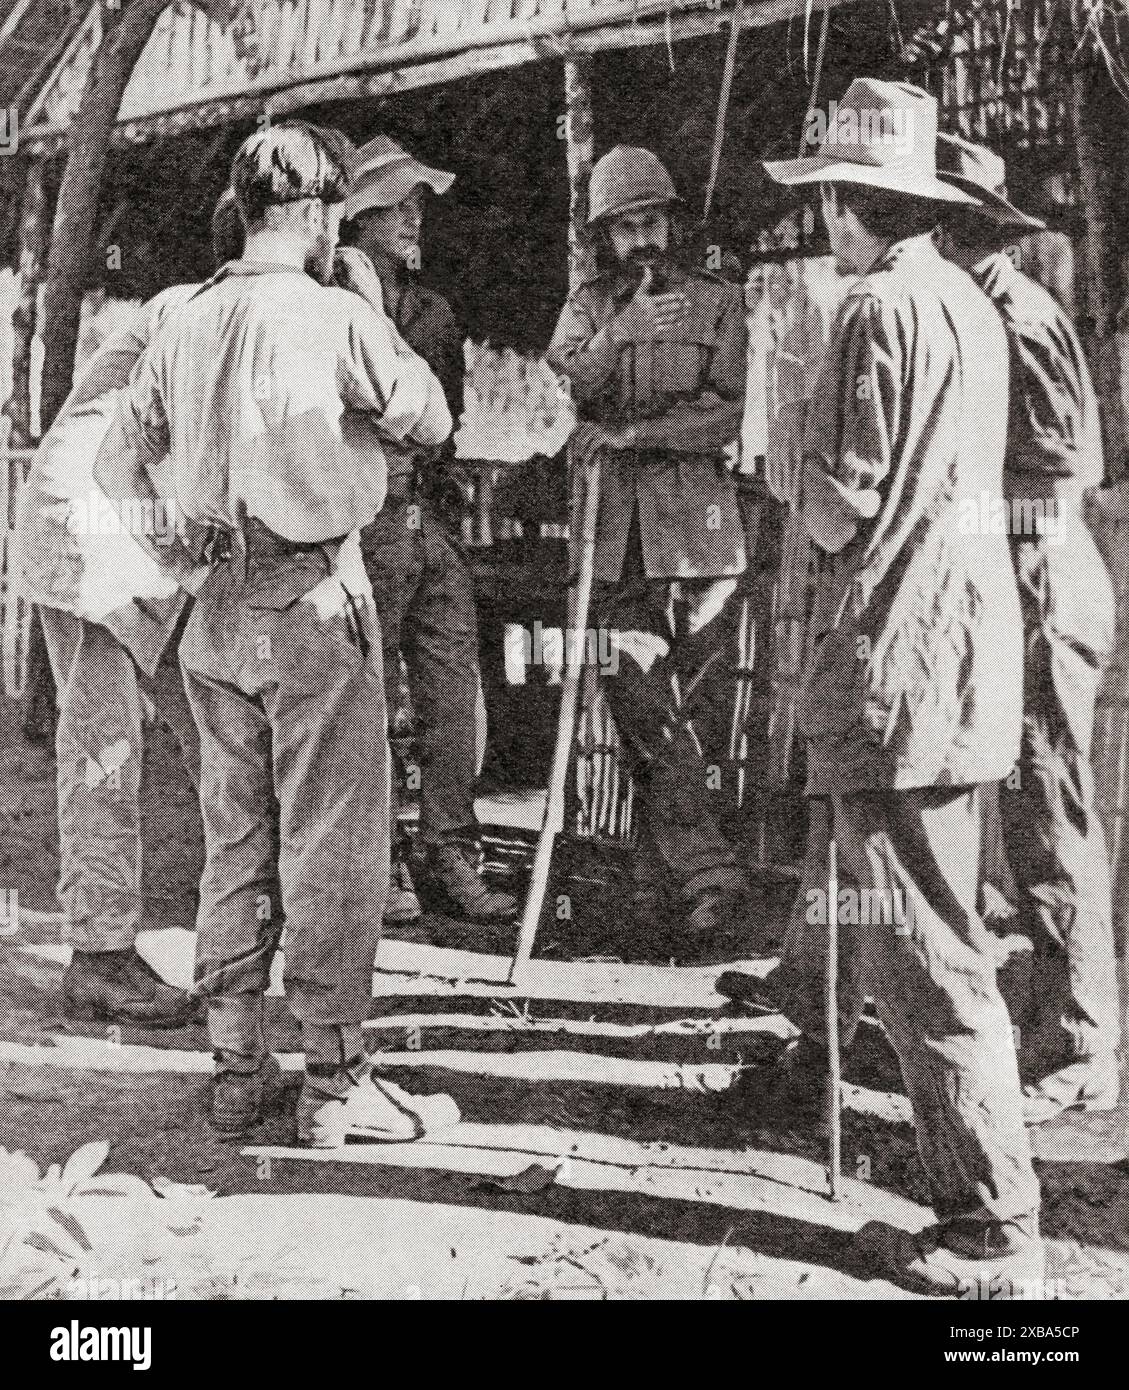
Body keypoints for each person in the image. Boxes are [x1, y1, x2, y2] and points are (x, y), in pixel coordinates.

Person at [94, 122, 459, 1147]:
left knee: (235, 841)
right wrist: (359, 298)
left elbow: (114, 469)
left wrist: (174, 538)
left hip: (212, 606)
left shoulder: (181, 317)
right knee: (332, 845)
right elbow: (426, 417)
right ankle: (336, 1083)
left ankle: (235, 1067)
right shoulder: (332, 312)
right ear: (314, 212)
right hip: (308, 602)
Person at [763, 79, 1042, 1296]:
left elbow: (841, 504)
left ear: (837, 203)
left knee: (929, 952)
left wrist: (785, 439)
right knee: (896, 919)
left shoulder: (872, 308)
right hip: (962, 657)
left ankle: (992, 1226)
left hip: (895, 661)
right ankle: (811, 1069)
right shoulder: (967, 303)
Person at [12, 190, 246, 1028]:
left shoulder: (216, 313)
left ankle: (240, 932)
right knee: (105, 747)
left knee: (213, 730)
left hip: (134, 529)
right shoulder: (197, 310)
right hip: (93, 525)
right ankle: (100, 956)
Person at [936, 133, 1121, 1123]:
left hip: (1044, 583)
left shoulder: (1021, 318)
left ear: (965, 233)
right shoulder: (976, 309)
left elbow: (1050, 490)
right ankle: (1051, 1011)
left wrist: (940, 515)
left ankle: (1085, 1044)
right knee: (1026, 812)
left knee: (1054, 818)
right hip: (1014, 582)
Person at [546, 145, 750, 955]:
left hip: (699, 541)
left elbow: (724, 416)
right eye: (625, 227)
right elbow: (573, 388)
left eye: (652, 220)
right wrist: (620, 335)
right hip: (615, 542)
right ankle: (706, 877)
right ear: (605, 237)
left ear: (672, 221)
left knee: (690, 719)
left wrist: (630, 435)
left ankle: (659, 879)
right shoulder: (588, 308)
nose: (642, 238)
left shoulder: (721, 301)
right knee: (640, 704)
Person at [344, 135, 515, 925]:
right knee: (365, 703)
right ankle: (373, 865)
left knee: (454, 697)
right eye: (398, 205)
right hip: (359, 523)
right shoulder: (330, 306)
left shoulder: (435, 312)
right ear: (360, 217)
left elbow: (442, 424)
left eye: (417, 204)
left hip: (426, 521)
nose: (415, 218)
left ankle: (448, 853)